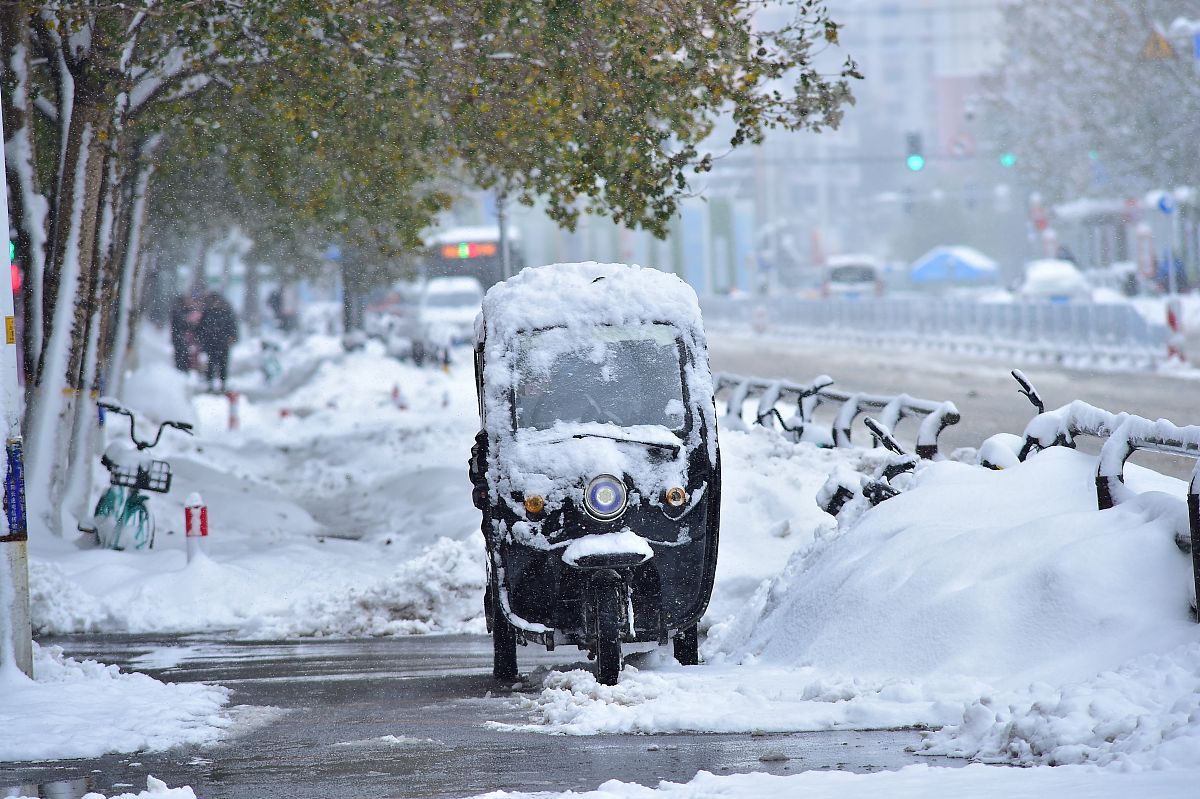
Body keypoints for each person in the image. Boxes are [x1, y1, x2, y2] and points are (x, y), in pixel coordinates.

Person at [196, 291, 239, 392]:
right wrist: (202, 338)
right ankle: (210, 384)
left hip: (223, 343)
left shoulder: (225, 313)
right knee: (211, 364)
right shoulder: (207, 313)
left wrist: (232, 337)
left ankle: (223, 384)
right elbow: (201, 328)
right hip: (210, 343)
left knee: (223, 364)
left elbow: (232, 326)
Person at [168, 294, 194, 372]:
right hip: (179, 336)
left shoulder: (188, 311)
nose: (190, 302)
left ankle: (183, 371)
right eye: (188, 300)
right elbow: (179, 324)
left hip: (185, 338)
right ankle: (180, 371)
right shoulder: (178, 311)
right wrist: (189, 324)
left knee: (185, 355)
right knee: (180, 354)